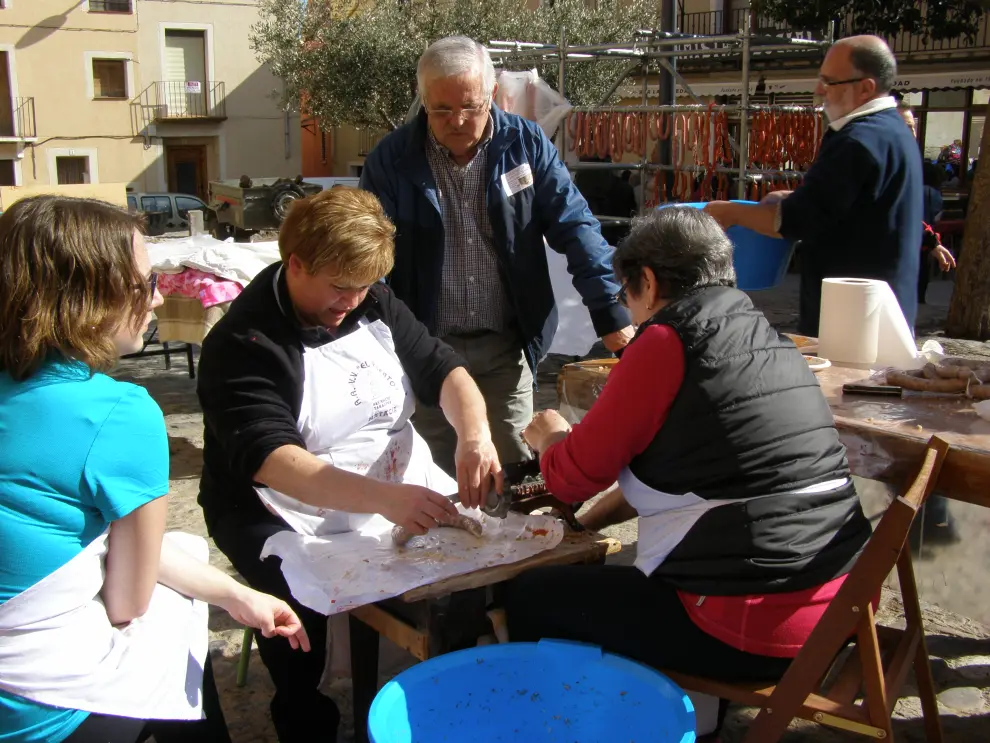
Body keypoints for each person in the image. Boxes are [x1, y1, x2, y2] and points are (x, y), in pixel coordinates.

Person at [504, 207, 872, 739]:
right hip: (837, 601)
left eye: (627, 296)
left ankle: (599, 725)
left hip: (757, 625)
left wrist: (551, 439)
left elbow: (569, 478)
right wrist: (592, 520)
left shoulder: (665, 340)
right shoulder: (762, 333)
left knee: (534, 596)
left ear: (648, 283)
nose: (631, 312)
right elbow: (701, 469)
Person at [0, 195, 310, 743]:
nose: (159, 295)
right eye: (145, 283)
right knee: (172, 627)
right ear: (88, 296)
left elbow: (88, 542)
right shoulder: (118, 414)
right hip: (40, 714)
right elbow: (127, 602)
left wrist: (237, 595)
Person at [196, 186, 500, 743]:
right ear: (296, 264)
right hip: (275, 505)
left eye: (364, 288)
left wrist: (474, 435)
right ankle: (305, 715)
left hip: (391, 475)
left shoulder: (373, 298)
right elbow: (274, 461)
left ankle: (436, 691)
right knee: (296, 615)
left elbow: (443, 369)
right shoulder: (243, 342)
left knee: (473, 565)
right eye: (340, 288)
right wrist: (388, 501)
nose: (353, 301)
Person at [359, 35, 634, 474]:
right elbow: (370, 257)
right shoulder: (392, 160)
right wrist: (378, 340)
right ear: (423, 100)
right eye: (442, 109)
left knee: (515, 471)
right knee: (435, 475)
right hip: (427, 347)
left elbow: (575, 225)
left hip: (506, 344)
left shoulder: (525, 145)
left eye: (470, 105)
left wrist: (609, 309)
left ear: (491, 93)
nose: (457, 120)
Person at [705, 36, 922, 337]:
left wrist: (730, 212)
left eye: (829, 82)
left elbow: (797, 220)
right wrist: (798, 196)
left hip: (854, 320)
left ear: (866, 88)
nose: (819, 91)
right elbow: (858, 204)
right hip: (882, 310)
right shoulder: (893, 130)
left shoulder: (857, 141)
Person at [895, 103, 956, 303]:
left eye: (913, 126)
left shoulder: (905, 161)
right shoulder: (885, 161)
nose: (912, 132)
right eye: (906, 126)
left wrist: (932, 242)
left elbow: (906, 213)